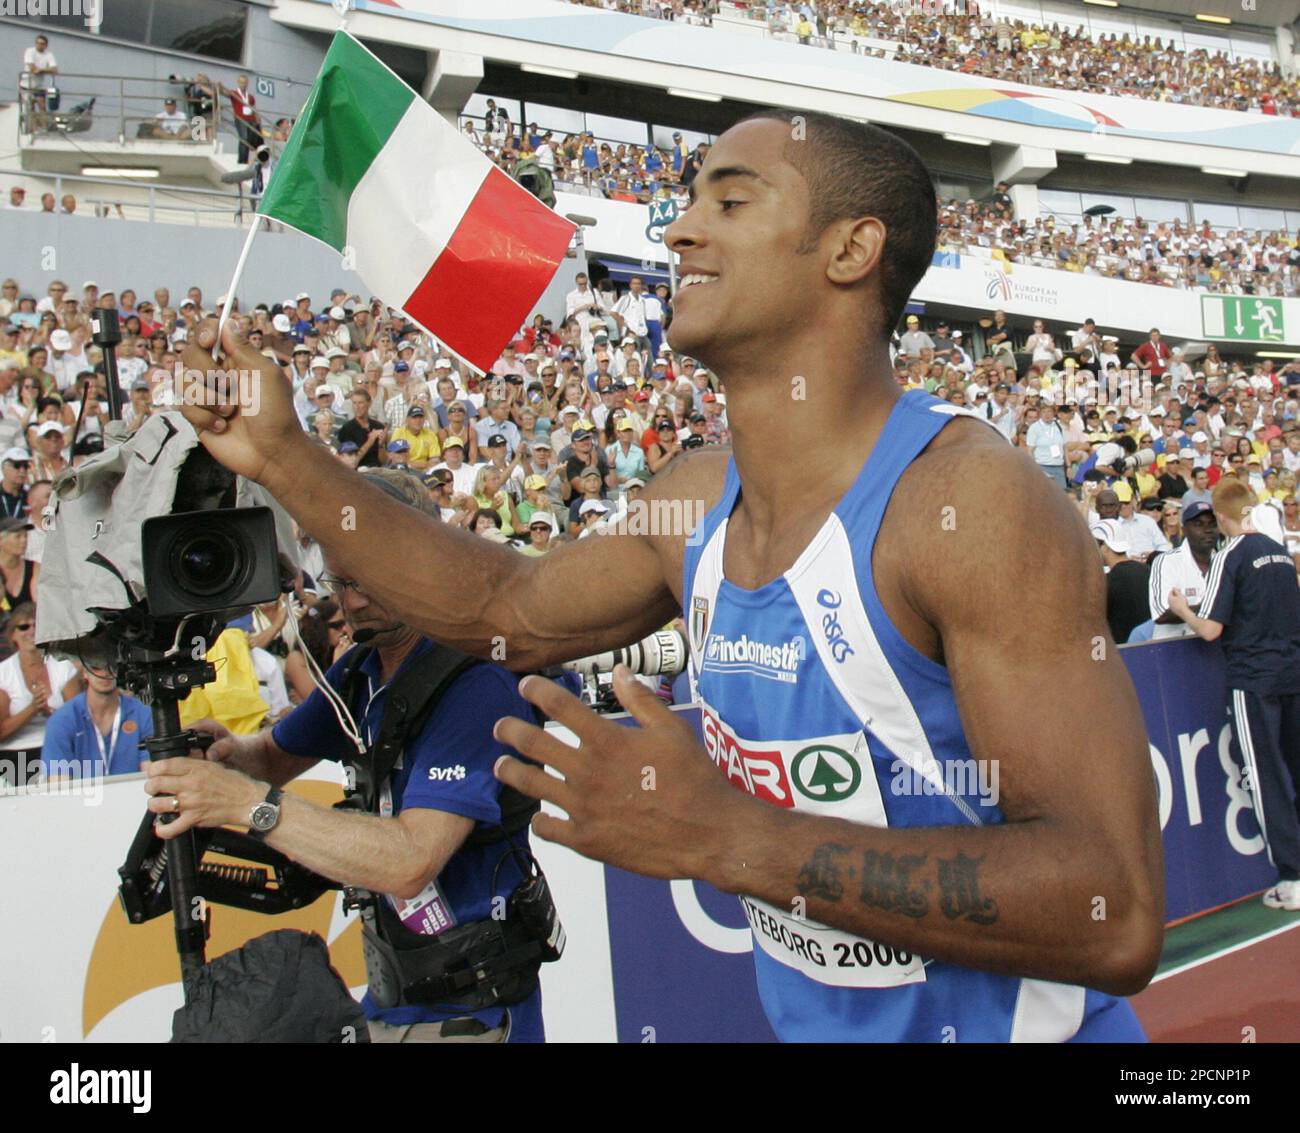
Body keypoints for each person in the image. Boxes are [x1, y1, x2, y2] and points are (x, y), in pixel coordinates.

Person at [180, 109, 1162, 1042]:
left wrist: (731, 838)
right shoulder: (692, 501)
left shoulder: (969, 502)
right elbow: (500, 609)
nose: (680, 228)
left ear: (851, 250)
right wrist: (283, 456)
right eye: (686, 201)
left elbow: (1110, 909)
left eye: (730, 203)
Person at [142, 471, 549, 1040]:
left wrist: (248, 805)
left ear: (424, 560)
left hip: (471, 1013)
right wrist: (228, 754)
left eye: (369, 579)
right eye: (340, 580)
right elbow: (275, 756)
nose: (351, 600)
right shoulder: (359, 671)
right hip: (391, 997)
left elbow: (411, 862)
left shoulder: (476, 681)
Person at [1168, 479, 1300, 912]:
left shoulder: (1231, 555)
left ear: (1223, 518)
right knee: (1294, 769)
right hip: (1290, 671)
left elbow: (1209, 629)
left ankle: (1293, 875)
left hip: (1254, 679)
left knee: (1264, 780)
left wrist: (1182, 607)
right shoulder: (1280, 554)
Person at [0, 603, 81, 780]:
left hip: (58, 748)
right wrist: (32, 709)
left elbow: (77, 719)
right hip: (14, 755)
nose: (31, 631)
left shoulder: (63, 667)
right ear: (13, 635)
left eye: (37, 626)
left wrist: (50, 713)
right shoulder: (3, 673)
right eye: (24, 627)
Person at [41, 666, 154, 779]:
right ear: (85, 672)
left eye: (110, 667)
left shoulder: (143, 713)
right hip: (83, 795)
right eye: (96, 668)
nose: (104, 674)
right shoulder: (61, 720)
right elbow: (60, 784)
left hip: (134, 793)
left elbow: (150, 774)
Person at [1147, 500, 1219, 641]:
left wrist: (1183, 608)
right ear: (1184, 529)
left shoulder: (1225, 561)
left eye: (1212, 524)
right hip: (1173, 650)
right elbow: (1161, 614)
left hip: (1216, 648)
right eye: (1198, 524)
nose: (1207, 529)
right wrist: (1218, 607)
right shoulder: (1167, 561)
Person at [1091, 520, 1151, 644]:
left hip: (1122, 654)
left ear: (1105, 547)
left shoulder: (1106, 582)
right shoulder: (1148, 570)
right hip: (1153, 648)